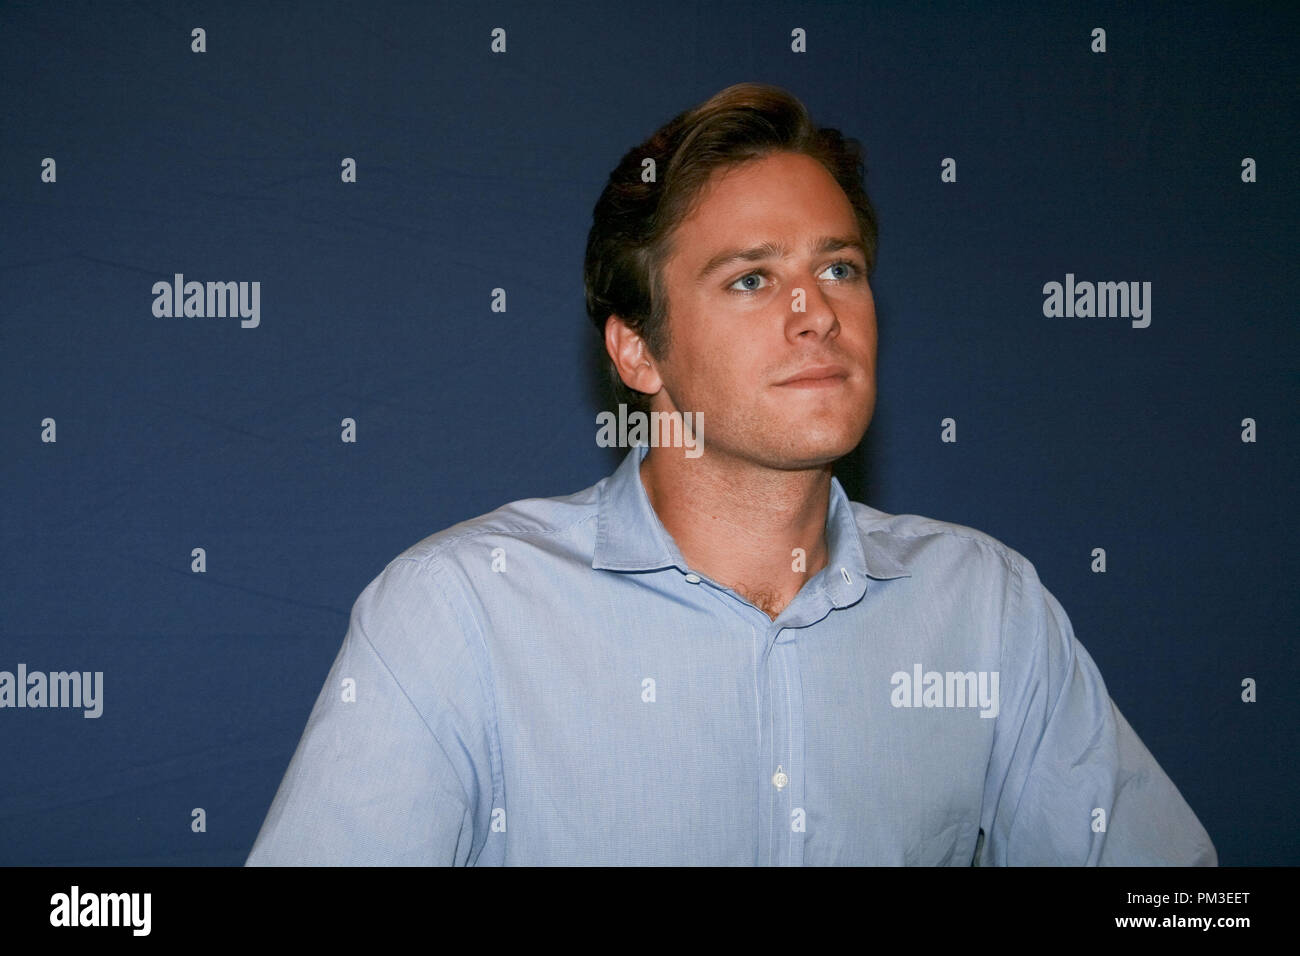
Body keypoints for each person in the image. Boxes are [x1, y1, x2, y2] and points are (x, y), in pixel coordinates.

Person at [245, 82, 1216, 866]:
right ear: (637, 352)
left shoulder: (986, 610)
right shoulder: (460, 614)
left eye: (837, 267)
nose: (815, 312)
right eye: (751, 277)